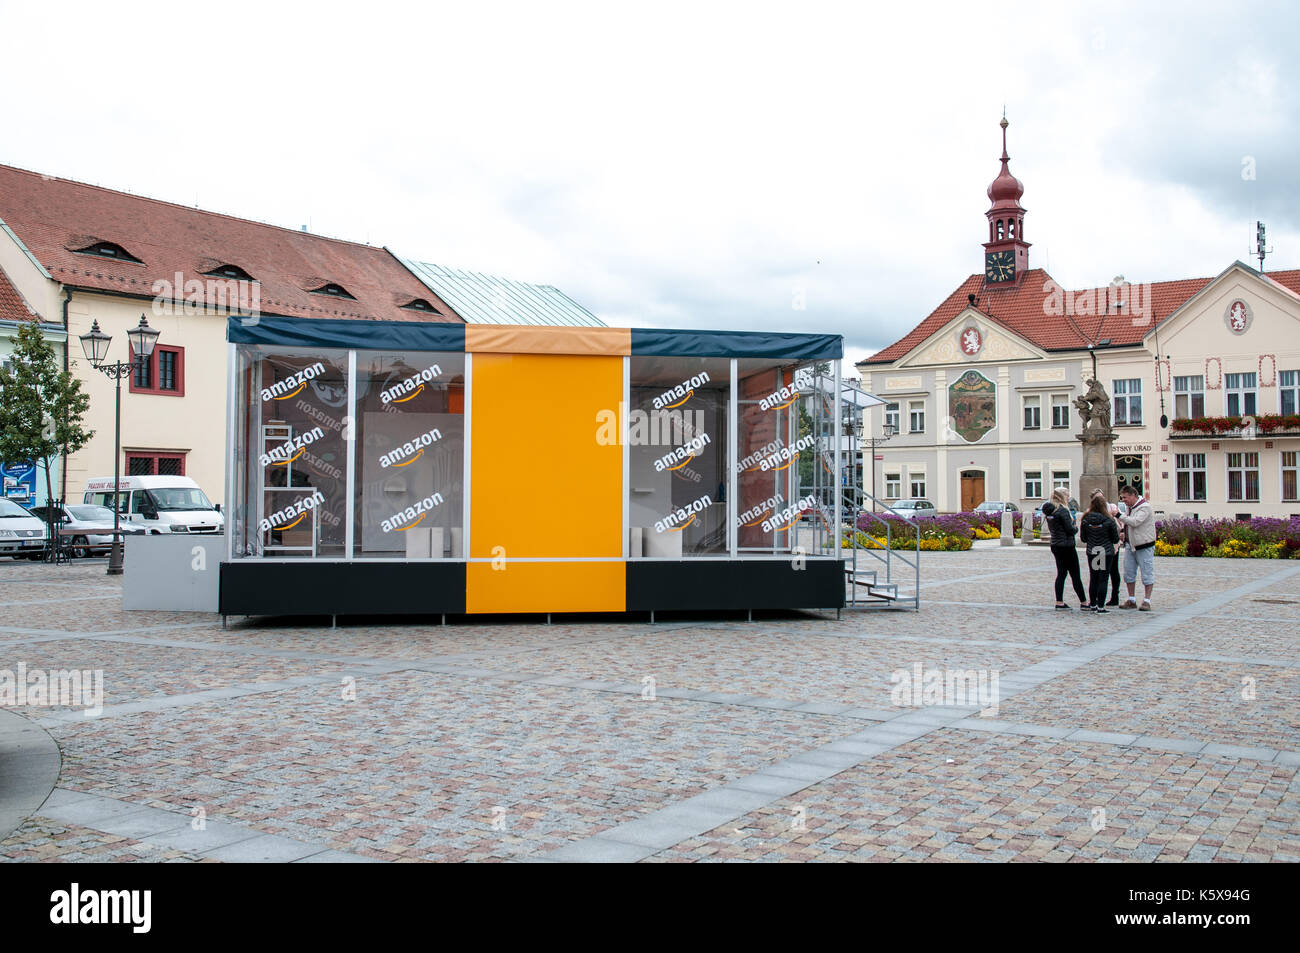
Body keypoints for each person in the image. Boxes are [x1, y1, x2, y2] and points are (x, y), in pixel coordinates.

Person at [1043, 487, 1086, 610]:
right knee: (1075, 574)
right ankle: (1083, 602)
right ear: (1062, 496)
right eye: (1067, 495)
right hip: (1066, 545)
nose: (1068, 497)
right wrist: (1076, 527)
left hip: (1056, 544)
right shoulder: (1062, 511)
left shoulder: (1051, 511)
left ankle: (1059, 601)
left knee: (1061, 574)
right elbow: (1070, 530)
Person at [1117, 484, 1156, 610]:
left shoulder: (1145, 507)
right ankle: (1131, 599)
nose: (1124, 500)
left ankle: (1147, 601)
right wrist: (1123, 531)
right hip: (1130, 545)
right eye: (1122, 498)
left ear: (1133, 495)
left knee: (1147, 573)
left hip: (1144, 545)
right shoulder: (1130, 507)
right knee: (1128, 573)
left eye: (1125, 497)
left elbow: (1135, 522)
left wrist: (1118, 515)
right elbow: (1128, 523)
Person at [1080, 494, 1121, 612]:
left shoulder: (1086, 519)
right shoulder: (1109, 520)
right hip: (1105, 551)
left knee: (1094, 577)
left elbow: (1083, 538)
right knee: (1103, 578)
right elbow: (1115, 539)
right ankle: (1101, 606)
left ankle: (1093, 604)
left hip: (1093, 550)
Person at [1090, 489, 1122, 605]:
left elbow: (1119, 527)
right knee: (1097, 575)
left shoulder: (1112, 509)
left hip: (1108, 547)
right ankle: (1096, 600)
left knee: (1113, 571)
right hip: (1099, 548)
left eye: (1101, 497)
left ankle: (1114, 596)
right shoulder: (1090, 514)